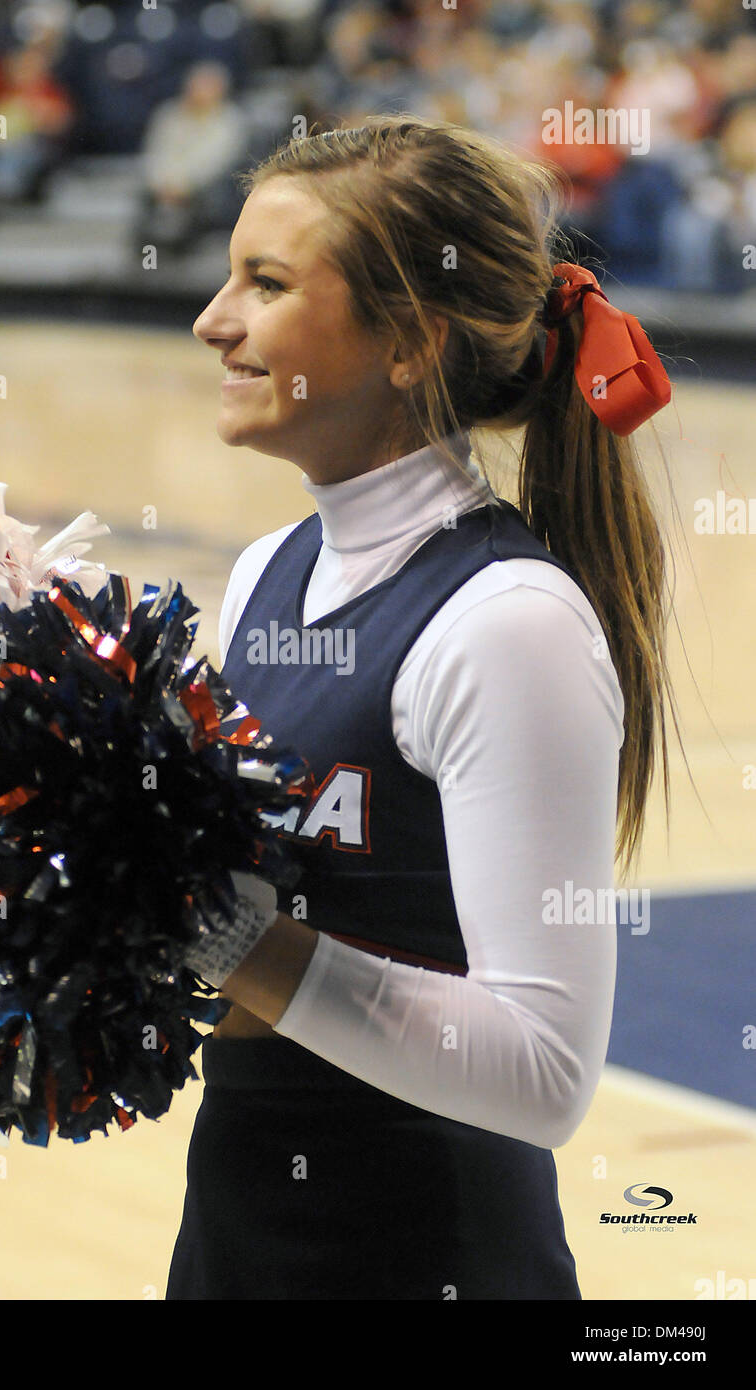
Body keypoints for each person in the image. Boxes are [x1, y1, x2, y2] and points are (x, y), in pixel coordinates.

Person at [167, 115, 676, 1301]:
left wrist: (224, 936)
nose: (212, 319)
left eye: (266, 283)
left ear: (408, 342)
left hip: (429, 1254)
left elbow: (544, 1075)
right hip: (238, 1227)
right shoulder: (267, 572)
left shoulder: (506, 623)